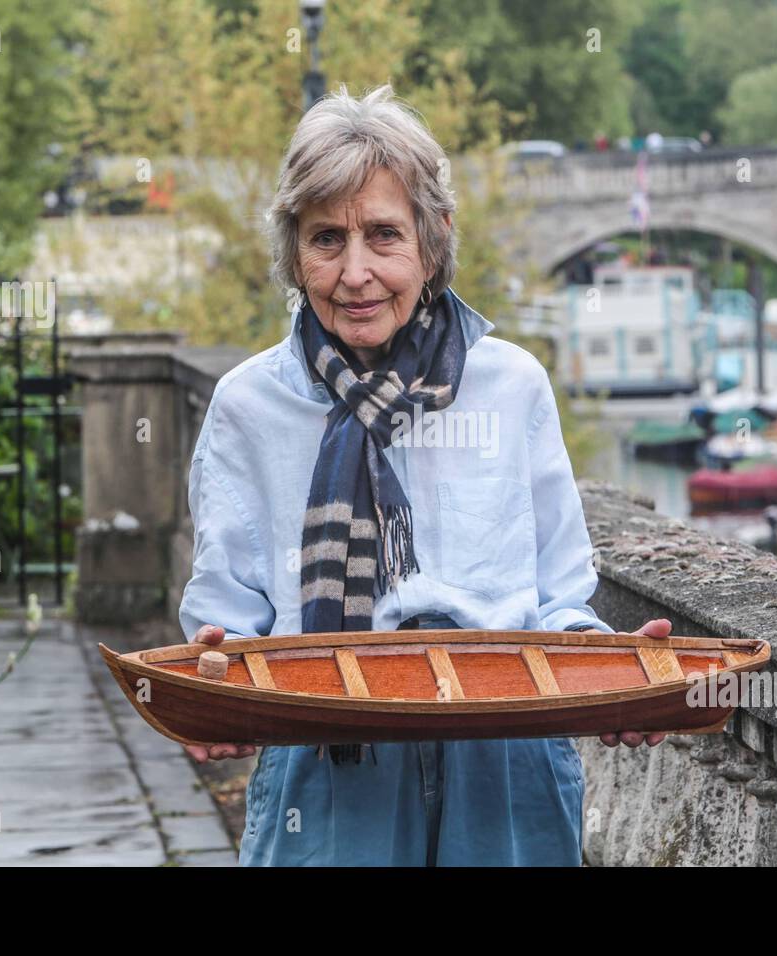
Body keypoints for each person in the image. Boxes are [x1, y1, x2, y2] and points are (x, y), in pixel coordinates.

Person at [177, 84, 672, 866]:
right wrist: (217, 681)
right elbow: (225, 620)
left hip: (505, 761)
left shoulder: (511, 385)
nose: (356, 272)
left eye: (384, 235)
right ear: (292, 251)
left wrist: (614, 671)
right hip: (332, 765)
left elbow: (556, 600)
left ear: (433, 241)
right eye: (326, 239)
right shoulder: (249, 407)